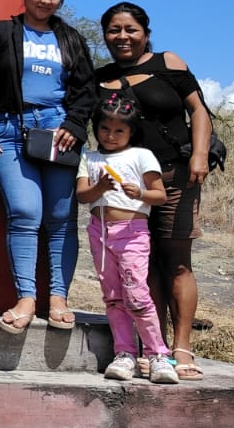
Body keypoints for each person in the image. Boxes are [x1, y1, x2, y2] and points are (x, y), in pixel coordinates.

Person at [0, 0, 96, 334]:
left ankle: (58, 297)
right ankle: (26, 297)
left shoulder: (71, 38)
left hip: (59, 131)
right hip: (10, 130)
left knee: (61, 216)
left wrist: (74, 124)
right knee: (25, 211)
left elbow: (86, 89)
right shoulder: (2, 32)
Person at [96, 2, 214, 380]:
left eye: (130, 29)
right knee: (141, 265)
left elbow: (198, 110)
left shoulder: (169, 63)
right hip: (127, 190)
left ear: (146, 33)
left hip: (175, 176)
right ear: (105, 36)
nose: (122, 36)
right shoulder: (100, 79)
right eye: (114, 30)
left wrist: (199, 155)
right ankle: (154, 347)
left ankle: (182, 348)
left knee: (176, 261)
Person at [76, 94, 178, 384]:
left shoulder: (141, 156)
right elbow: (83, 195)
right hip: (100, 232)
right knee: (113, 297)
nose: (110, 136)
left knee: (137, 295)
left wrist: (140, 193)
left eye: (119, 130)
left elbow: (159, 195)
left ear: (131, 131)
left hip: (132, 232)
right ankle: (125, 354)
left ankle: (158, 355)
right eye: (105, 129)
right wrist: (99, 188)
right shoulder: (90, 158)